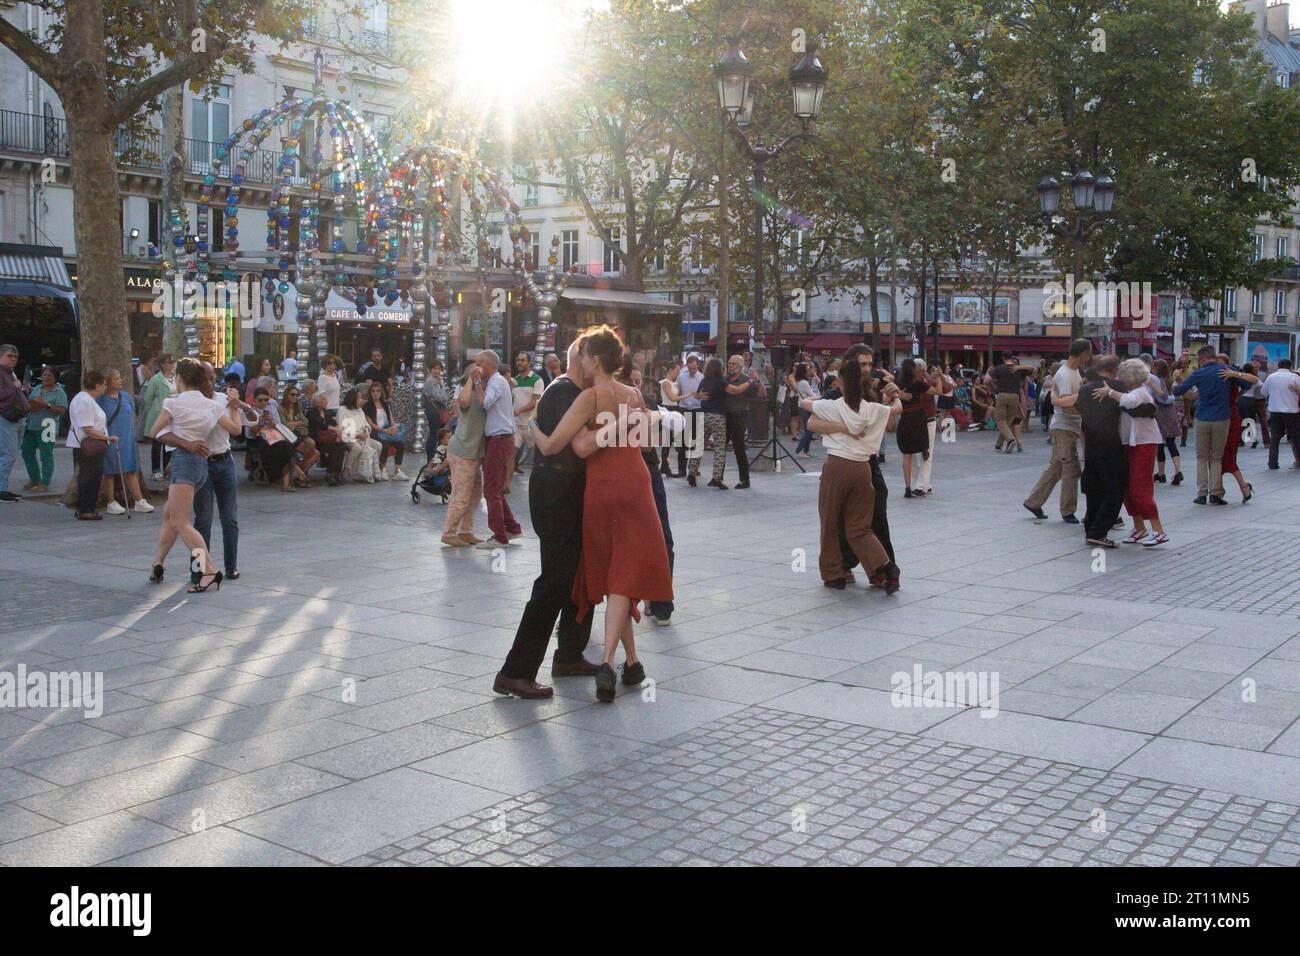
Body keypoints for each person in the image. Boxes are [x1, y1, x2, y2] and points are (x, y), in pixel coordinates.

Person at [530, 326, 672, 703]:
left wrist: (535, 434)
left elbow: (571, 446)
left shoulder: (591, 397)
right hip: (637, 484)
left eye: (583, 355)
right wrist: (634, 421)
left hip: (604, 490)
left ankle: (608, 663)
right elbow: (645, 442)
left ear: (594, 360)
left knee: (615, 574)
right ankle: (633, 661)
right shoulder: (635, 393)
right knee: (623, 574)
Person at [493, 336, 598, 699]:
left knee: (577, 576)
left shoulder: (569, 391)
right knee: (554, 581)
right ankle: (515, 671)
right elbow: (570, 444)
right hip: (557, 498)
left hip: (569, 495)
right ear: (581, 359)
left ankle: (569, 654)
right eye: (596, 360)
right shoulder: (564, 392)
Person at [804, 348, 903, 593]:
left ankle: (834, 574)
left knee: (831, 520)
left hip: (840, 464)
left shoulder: (836, 403)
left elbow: (807, 410)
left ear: (841, 378)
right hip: (863, 468)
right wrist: (895, 398)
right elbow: (893, 415)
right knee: (860, 526)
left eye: (870, 363)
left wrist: (841, 425)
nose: (867, 368)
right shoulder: (871, 405)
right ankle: (885, 567)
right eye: (862, 364)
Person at [148, 357, 243, 589]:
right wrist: (233, 406)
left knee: (182, 522)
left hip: (191, 462)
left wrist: (184, 443)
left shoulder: (174, 403)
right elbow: (236, 429)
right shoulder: (212, 404)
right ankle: (159, 563)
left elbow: (154, 432)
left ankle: (210, 570)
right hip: (203, 463)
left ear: (179, 378)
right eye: (208, 377)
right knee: (173, 517)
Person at [164, 363, 257, 582]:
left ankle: (231, 566)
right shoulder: (191, 403)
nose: (209, 383)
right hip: (201, 463)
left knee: (230, 518)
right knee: (202, 521)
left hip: (224, 460)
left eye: (212, 378)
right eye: (205, 378)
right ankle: (199, 570)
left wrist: (239, 403)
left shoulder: (222, 399)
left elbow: (252, 419)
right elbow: (166, 432)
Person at [1095, 358, 1169, 547]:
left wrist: (1109, 392)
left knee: (1139, 488)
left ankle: (1158, 530)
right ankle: (1139, 526)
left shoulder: (1140, 393)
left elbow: (1129, 402)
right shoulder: (1134, 391)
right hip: (1131, 443)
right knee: (1127, 487)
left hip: (1144, 443)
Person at [1023, 338, 1091, 523]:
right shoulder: (1066, 375)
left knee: (1057, 467)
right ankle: (1067, 510)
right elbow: (1067, 405)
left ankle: (1034, 501)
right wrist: (1087, 412)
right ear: (1083, 353)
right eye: (1088, 353)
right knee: (1072, 468)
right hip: (1064, 426)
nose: (1089, 357)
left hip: (1067, 426)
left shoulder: (1074, 372)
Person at [1173, 345, 1240, 505]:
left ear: (1202, 359)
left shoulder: (1199, 373)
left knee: (1202, 457)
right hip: (1223, 417)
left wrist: (1177, 380)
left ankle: (1201, 493)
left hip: (1203, 417)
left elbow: (1178, 391)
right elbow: (1246, 385)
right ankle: (1216, 493)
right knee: (1216, 457)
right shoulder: (1226, 369)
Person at [473, 350, 522, 548]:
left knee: (491, 490)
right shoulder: (499, 381)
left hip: (499, 438)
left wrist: (476, 382)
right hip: (500, 438)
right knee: (496, 487)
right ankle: (512, 528)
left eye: (479, 364)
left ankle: (499, 536)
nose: (476, 367)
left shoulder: (496, 381)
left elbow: (485, 402)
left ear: (488, 364)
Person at [1079, 356, 1127, 548]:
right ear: (1115, 369)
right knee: (1115, 489)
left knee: (1094, 488)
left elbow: (1079, 411)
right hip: (1111, 442)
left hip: (1091, 443)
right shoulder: (1118, 387)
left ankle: (1090, 526)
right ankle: (1099, 530)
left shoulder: (1084, 389)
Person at [441, 368, 487, 546]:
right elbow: (464, 402)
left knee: (475, 493)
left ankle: (465, 530)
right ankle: (449, 532)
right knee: (460, 495)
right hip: (462, 451)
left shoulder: (483, 394)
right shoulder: (466, 393)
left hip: (473, 452)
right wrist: (471, 380)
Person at [98, 368, 153, 514]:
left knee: (131, 469)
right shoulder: (101, 400)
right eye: (116, 378)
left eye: (120, 377)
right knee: (109, 470)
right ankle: (111, 501)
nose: (120, 380)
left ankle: (138, 500)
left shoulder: (125, 396)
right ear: (108, 382)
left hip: (127, 437)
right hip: (111, 438)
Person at [67, 369, 112, 519]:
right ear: (97, 385)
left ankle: (86, 507)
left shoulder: (86, 399)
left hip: (88, 444)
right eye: (104, 384)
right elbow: (87, 428)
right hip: (87, 445)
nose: (105, 387)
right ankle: (86, 509)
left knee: (90, 476)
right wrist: (107, 437)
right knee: (90, 476)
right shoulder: (84, 401)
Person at [1219, 357, 1258, 503]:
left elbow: (1253, 381)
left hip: (1231, 417)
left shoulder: (1232, 375)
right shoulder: (1216, 376)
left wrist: (1236, 374)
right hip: (1221, 416)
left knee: (1227, 455)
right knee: (1218, 457)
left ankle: (1241, 486)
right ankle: (1221, 489)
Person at [20, 366, 66, 492]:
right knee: (26, 451)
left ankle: (45, 483)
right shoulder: (37, 388)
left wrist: (47, 405)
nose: (46, 378)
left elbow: (62, 410)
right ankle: (34, 479)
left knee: (46, 454)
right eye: (44, 375)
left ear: (55, 378)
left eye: (50, 375)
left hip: (48, 426)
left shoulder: (59, 392)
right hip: (32, 425)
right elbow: (29, 403)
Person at [895, 359, 933, 498]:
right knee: (923, 438)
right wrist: (936, 377)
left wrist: (897, 394)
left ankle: (907, 487)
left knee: (906, 455)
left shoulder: (898, 384)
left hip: (905, 418)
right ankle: (924, 448)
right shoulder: (918, 384)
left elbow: (885, 396)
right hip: (918, 417)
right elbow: (938, 391)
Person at [722, 354, 761, 489]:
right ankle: (718, 478)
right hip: (724, 416)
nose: (730, 366)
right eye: (729, 363)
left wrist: (758, 380)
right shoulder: (725, 379)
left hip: (739, 417)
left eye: (733, 364)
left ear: (740, 366)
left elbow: (762, 394)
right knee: (721, 448)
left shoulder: (746, 380)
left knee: (739, 449)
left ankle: (744, 480)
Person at [508, 351, 544, 490]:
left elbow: (536, 402)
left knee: (540, 456)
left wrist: (517, 411)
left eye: (523, 360)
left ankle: (539, 486)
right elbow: (511, 400)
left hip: (531, 424)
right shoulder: (514, 381)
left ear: (529, 363)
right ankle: (506, 485)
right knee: (511, 454)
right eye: (518, 360)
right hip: (516, 425)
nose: (520, 363)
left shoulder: (537, 379)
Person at [986, 353, 1035, 452]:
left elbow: (986, 381)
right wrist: (1019, 367)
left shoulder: (999, 369)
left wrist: (994, 386)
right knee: (1008, 421)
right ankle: (999, 444)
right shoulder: (1018, 369)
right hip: (1015, 396)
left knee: (1000, 420)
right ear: (1012, 358)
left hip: (1002, 394)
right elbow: (1033, 368)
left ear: (1003, 358)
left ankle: (1010, 439)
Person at [694, 357, 731, 488]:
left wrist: (701, 396)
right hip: (718, 416)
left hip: (704, 415)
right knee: (719, 448)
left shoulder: (704, 380)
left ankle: (691, 474)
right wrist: (749, 382)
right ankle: (716, 478)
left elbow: (697, 394)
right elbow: (734, 391)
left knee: (698, 445)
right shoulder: (722, 382)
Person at [141, 354, 177, 479]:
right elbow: (148, 399)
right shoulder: (156, 379)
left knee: (169, 443)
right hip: (159, 414)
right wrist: (157, 409)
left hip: (174, 416)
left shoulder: (177, 378)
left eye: (173, 361)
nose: (172, 364)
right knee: (157, 444)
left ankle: (167, 469)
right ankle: (156, 470)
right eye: (169, 362)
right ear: (163, 364)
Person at [0, 344, 28, 502]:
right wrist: (14, 387)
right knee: (8, 455)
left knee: (9, 454)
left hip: (17, 418)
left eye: (15, 357)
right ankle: (1, 489)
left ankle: (3, 487)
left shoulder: (10, 373)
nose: (13, 359)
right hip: (6, 418)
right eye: (9, 356)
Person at [364, 380, 408, 480]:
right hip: (375, 432)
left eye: (378, 391)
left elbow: (391, 419)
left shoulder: (385, 404)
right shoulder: (368, 406)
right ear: (370, 393)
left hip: (387, 430)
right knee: (385, 444)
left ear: (381, 392)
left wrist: (393, 428)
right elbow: (370, 424)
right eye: (373, 391)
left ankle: (397, 471)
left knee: (400, 444)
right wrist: (384, 431)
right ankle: (382, 468)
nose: (375, 393)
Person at [1261, 358, 1300, 470]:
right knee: (1296, 438)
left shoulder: (1271, 377)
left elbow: (1264, 392)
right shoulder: (1294, 377)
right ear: (1290, 366)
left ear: (1278, 365)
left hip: (1275, 411)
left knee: (1274, 439)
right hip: (1292, 412)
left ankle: (1272, 463)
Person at [1151, 359, 1184, 486]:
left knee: (1159, 444)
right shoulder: (1170, 380)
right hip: (1170, 413)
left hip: (1160, 413)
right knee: (1171, 443)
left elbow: (1163, 398)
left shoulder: (1158, 381)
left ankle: (1161, 473)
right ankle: (1178, 470)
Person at [338, 387, 381, 482]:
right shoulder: (342, 410)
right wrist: (357, 435)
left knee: (378, 446)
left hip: (364, 437)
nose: (361, 400)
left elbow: (367, 425)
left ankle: (371, 471)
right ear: (353, 398)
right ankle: (346, 470)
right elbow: (342, 428)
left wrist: (366, 432)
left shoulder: (360, 410)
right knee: (356, 447)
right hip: (349, 438)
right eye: (359, 398)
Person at [305, 392, 346, 486]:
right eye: (323, 399)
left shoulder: (327, 412)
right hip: (316, 439)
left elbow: (334, 423)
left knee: (341, 445)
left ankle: (337, 472)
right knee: (333, 447)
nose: (326, 401)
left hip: (328, 438)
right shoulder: (311, 412)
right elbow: (320, 425)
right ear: (316, 402)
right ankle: (330, 473)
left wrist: (338, 435)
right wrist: (335, 429)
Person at [675, 353, 704, 480]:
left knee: (695, 441)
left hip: (697, 410)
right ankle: (682, 469)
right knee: (682, 441)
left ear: (698, 366)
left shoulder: (702, 378)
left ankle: (693, 468)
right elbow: (679, 392)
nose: (692, 371)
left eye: (695, 368)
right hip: (684, 409)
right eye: (690, 368)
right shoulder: (681, 377)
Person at [657, 360, 683, 477]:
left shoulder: (674, 382)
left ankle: (665, 465)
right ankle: (665, 465)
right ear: (671, 370)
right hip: (668, 409)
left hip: (675, 409)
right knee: (668, 439)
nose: (678, 373)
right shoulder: (665, 383)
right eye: (677, 371)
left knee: (670, 439)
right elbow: (672, 398)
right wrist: (688, 395)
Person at [793, 363, 821, 456]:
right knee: (809, 429)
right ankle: (800, 449)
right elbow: (811, 395)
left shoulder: (799, 381)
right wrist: (821, 397)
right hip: (806, 406)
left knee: (808, 428)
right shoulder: (804, 382)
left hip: (802, 406)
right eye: (807, 369)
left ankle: (805, 451)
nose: (809, 371)